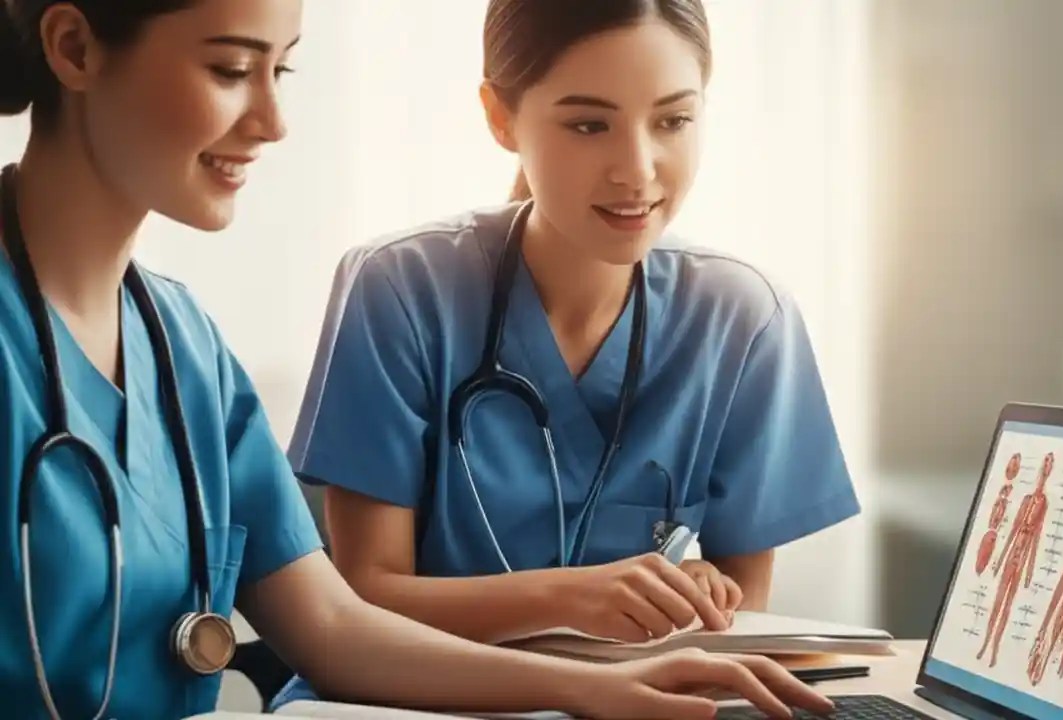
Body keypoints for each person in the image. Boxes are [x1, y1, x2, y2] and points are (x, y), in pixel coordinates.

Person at [0, 1, 841, 718]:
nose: (275, 123)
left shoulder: (181, 344)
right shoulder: (401, 287)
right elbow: (361, 600)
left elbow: (330, 626)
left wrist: (608, 690)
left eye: (281, 73)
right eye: (229, 69)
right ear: (73, 49)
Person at [271, 0, 861, 709]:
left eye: (673, 120)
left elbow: (736, 625)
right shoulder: (400, 287)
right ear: (500, 117)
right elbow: (362, 597)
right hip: (402, 702)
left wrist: (701, 593)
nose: (637, 169)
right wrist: (569, 597)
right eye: (589, 124)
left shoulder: (744, 318)